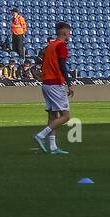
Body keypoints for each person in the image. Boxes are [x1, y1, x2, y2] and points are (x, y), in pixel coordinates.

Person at [33, 23, 74, 155]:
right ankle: (40, 135)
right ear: (64, 32)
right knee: (66, 116)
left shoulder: (50, 45)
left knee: (52, 116)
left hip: (46, 83)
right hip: (55, 83)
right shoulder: (61, 46)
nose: (70, 33)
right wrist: (69, 82)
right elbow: (62, 65)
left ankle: (53, 147)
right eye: (69, 31)